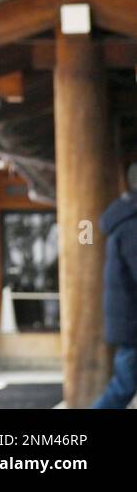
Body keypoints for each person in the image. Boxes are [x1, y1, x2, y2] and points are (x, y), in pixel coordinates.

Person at [93, 164, 137, 409]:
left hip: (127, 323)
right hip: (133, 325)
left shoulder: (124, 219)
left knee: (123, 386)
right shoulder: (132, 224)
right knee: (122, 388)